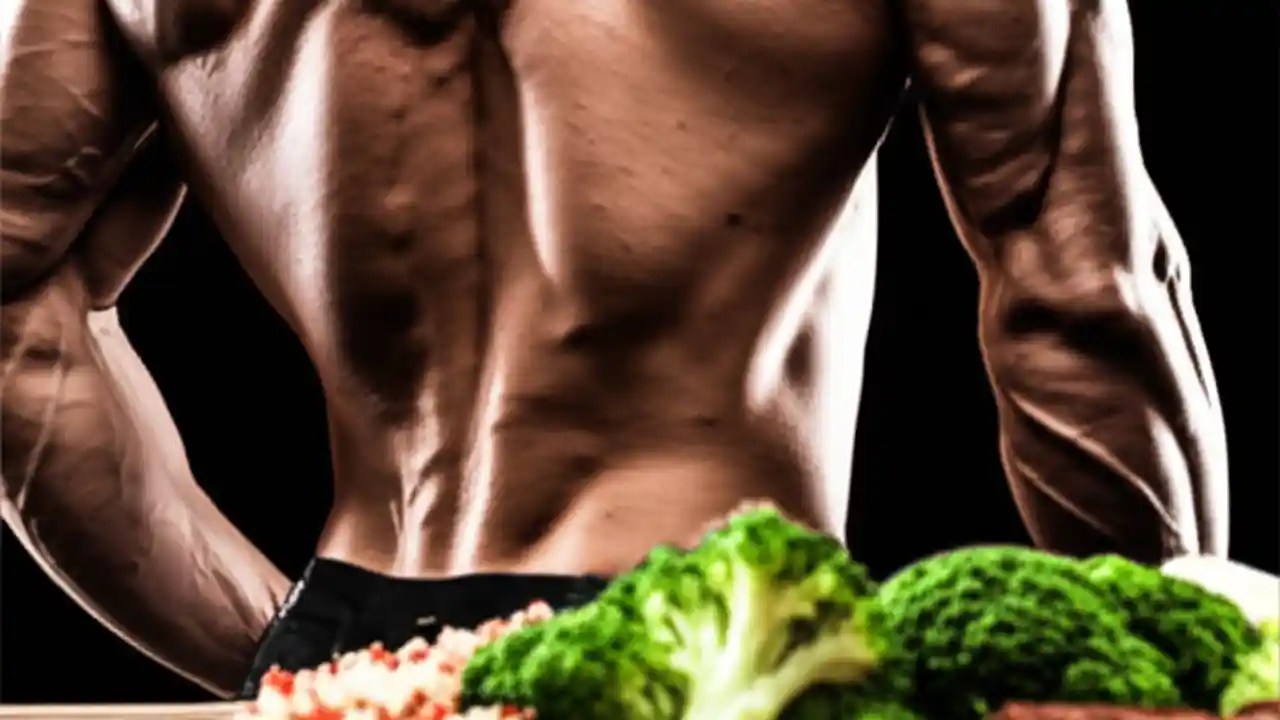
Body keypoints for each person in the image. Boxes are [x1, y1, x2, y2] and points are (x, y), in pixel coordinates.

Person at [0, 0, 1229, 701]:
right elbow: (1087, 296)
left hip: (365, 652)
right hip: (732, 661)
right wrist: (1164, 671)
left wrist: (288, 656)